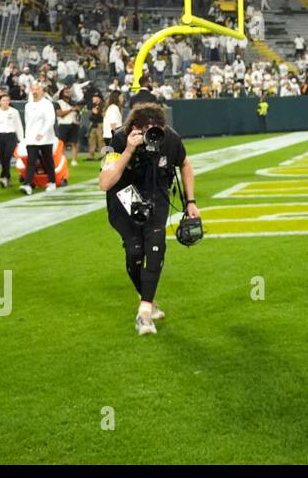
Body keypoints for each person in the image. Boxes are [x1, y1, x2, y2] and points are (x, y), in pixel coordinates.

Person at [98, 101, 200, 336]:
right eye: (146, 128)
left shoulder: (171, 139)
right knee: (135, 250)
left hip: (156, 192)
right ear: (134, 127)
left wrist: (190, 201)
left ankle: (144, 312)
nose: (152, 133)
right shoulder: (119, 139)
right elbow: (105, 183)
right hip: (127, 195)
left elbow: (184, 163)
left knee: (155, 246)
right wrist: (129, 150)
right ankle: (148, 300)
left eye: (157, 127)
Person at [19, 81, 57, 195]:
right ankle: (27, 184)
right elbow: (27, 122)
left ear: (42, 91)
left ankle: (52, 182)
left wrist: (42, 132)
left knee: (48, 160)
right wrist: (26, 137)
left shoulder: (47, 104)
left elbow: (50, 120)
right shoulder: (28, 105)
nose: (35, 92)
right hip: (31, 138)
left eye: (37, 89)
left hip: (46, 138)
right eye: (33, 89)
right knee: (31, 161)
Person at [55, 87, 81, 168]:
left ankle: (74, 160)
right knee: (62, 144)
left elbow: (78, 113)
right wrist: (71, 109)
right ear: (62, 93)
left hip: (74, 124)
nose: (68, 93)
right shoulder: (58, 103)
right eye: (66, 92)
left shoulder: (73, 103)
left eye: (69, 92)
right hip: (63, 124)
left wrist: (78, 116)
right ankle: (62, 159)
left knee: (75, 143)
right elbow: (60, 114)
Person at [86, 92, 105, 158]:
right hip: (93, 124)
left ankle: (102, 155)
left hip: (100, 124)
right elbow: (91, 116)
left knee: (100, 140)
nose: (93, 98)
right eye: (93, 97)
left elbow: (104, 115)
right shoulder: (93, 106)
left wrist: (97, 113)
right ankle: (91, 155)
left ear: (99, 98)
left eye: (94, 97)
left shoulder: (103, 105)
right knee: (91, 139)